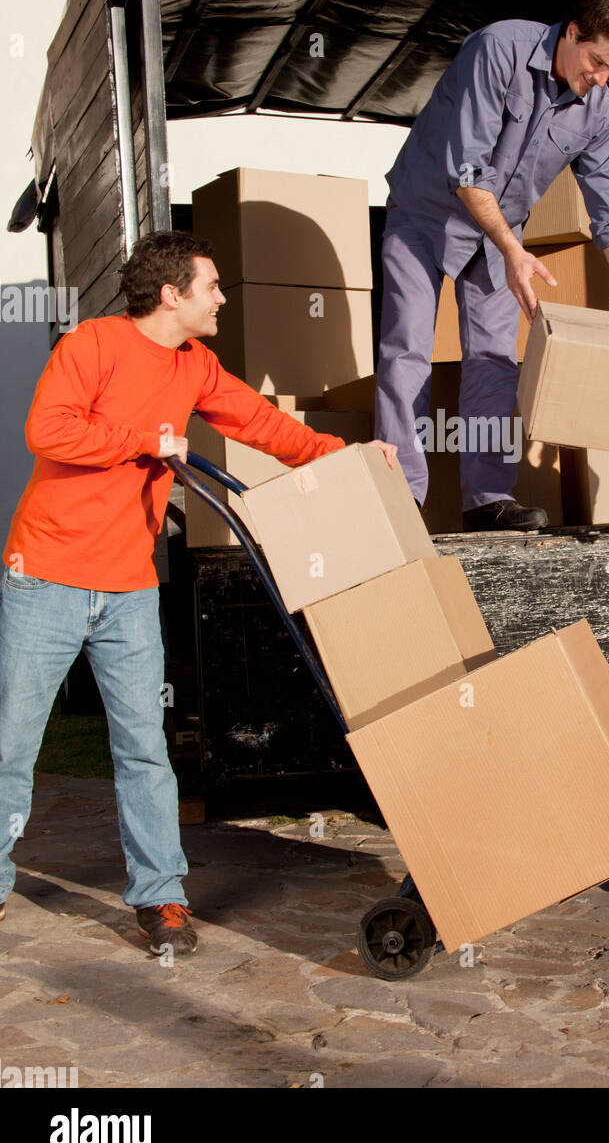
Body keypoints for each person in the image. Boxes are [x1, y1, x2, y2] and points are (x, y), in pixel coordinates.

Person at [0, 232, 397, 957]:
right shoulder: (92, 344)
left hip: (128, 586)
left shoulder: (197, 365)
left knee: (145, 748)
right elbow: (47, 429)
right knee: (11, 746)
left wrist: (350, 455)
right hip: (47, 574)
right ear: (171, 293)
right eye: (211, 286)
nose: (221, 297)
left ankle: (161, 898)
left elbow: (263, 423)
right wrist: (145, 439)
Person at [377, 0, 609, 531]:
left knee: (495, 360)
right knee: (407, 348)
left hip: (502, 231)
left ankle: (487, 499)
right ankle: (400, 496)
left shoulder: (598, 109)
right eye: (597, 62)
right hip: (425, 212)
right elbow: (468, 172)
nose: (601, 80)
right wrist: (513, 251)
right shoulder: (498, 49)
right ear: (572, 32)